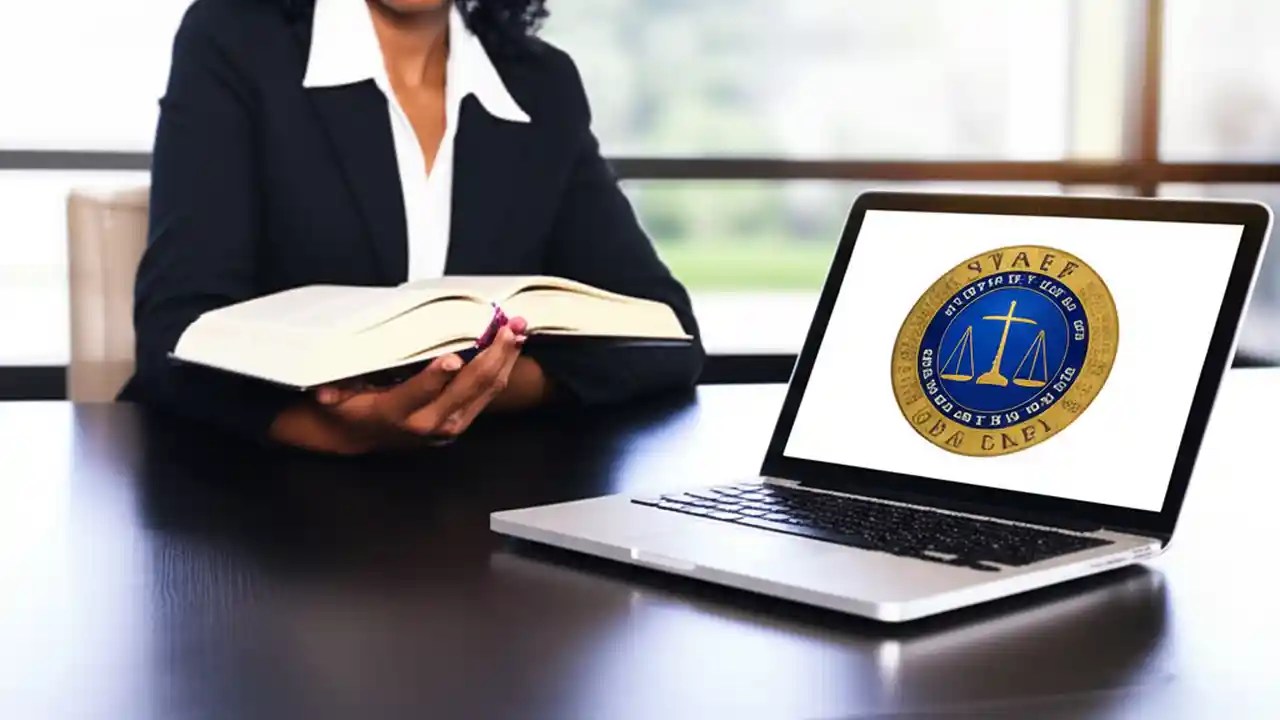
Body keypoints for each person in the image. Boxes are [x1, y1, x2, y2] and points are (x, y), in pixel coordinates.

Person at [123, 0, 705, 454]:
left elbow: (665, 335)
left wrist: (481, 390)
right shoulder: (234, 41)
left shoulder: (539, 83)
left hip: (474, 499)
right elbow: (175, 332)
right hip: (240, 496)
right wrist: (344, 432)